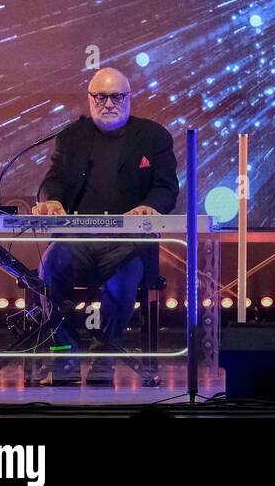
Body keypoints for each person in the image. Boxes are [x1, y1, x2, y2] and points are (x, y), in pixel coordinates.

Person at [34, 67, 178, 385]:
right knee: (49, 271)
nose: (108, 103)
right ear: (89, 99)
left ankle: (105, 355)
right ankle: (64, 355)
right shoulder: (71, 137)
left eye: (116, 96)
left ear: (129, 98)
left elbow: (167, 187)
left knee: (122, 284)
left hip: (129, 243)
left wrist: (149, 207)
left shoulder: (153, 136)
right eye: (101, 96)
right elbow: (52, 181)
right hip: (78, 239)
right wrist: (53, 201)